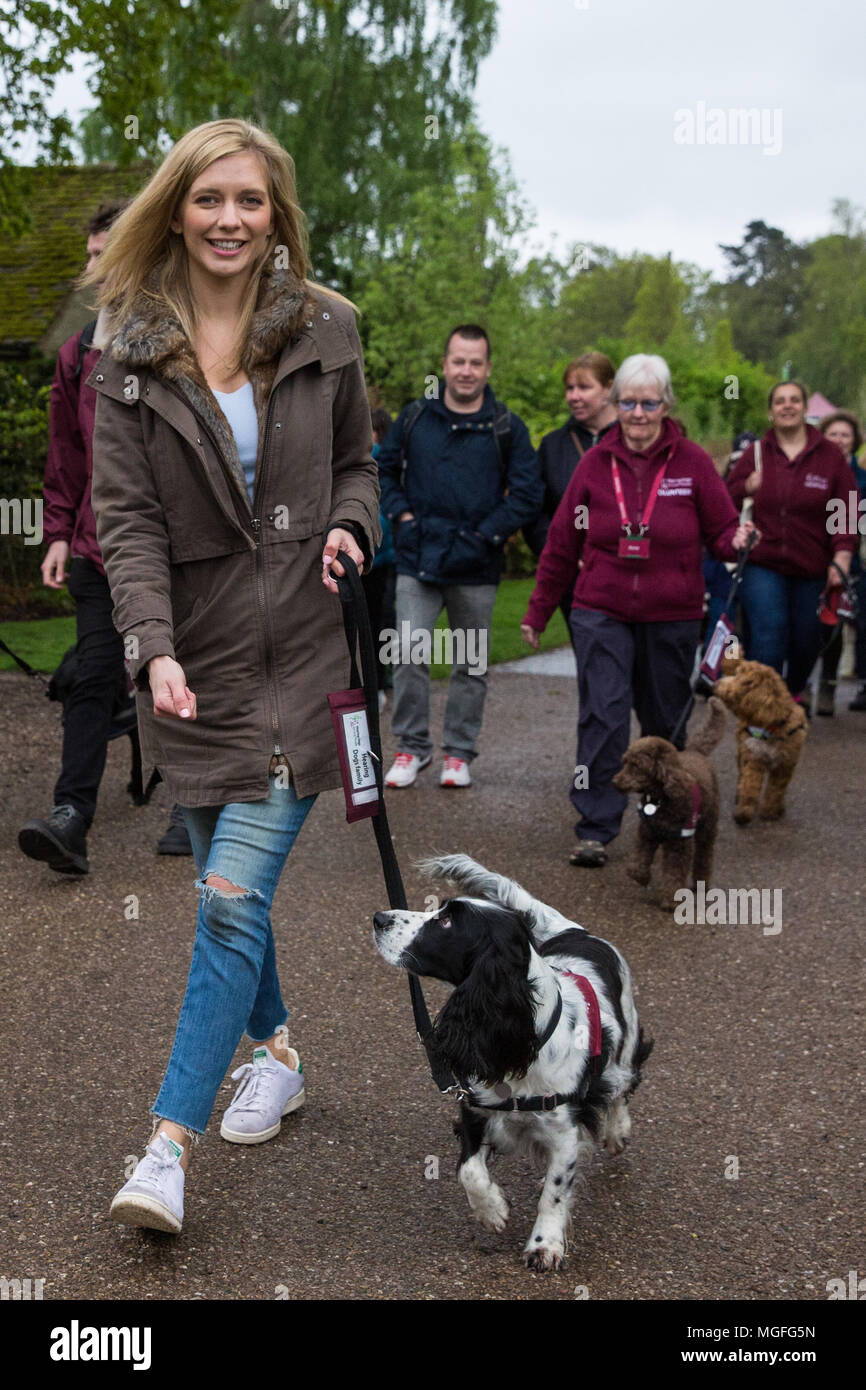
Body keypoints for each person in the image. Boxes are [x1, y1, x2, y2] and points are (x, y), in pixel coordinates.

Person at [87, 118, 380, 1234]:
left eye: (249, 200)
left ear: (277, 214)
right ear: (177, 207)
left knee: (223, 907)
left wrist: (351, 523)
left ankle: (165, 1147)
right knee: (227, 889)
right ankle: (282, 1054)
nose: (228, 219)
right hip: (194, 668)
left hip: (305, 656)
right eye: (208, 198)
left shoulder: (327, 327)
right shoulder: (128, 353)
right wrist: (151, 646)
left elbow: (358, 462)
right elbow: (125, 522)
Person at [521, 354, 754, 868]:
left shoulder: (691, 462)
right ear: (616, 403)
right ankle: (596, 826)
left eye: (649, 402)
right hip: (600, 608)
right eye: (629, 402)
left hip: (671, 613)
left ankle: (668, 815)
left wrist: (735, 539)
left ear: (666, 404)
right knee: (603, 714)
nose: (639, 412)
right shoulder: (594, 464)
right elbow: (562, 542)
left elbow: (720, 532)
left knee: (664, 721)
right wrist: (538, 612)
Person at [17, 201, 191, 875]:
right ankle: (71, 817)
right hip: (98, 547)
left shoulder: (184, 343)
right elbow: (64, 452)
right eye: (90, 255)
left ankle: (188, 798)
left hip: (178, 551)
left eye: (100, 255)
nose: (90, 268)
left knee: (178, 671)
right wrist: (57, 531)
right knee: (95, 671)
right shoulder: (76, 353)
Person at [377, 325, 542, 788]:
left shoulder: (506, 426)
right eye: (458, 361)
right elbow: (383, 472)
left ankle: (458, 753)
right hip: (419, 559)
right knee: (408, 652)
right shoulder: (414, 418)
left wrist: (488, 535)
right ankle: (411, 748)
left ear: (488, 368)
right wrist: (403, 518)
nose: (466, 371)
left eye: (475, 362)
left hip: (475, 564)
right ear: (444, 364)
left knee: (469, 662)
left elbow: (527, 494)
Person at [726, 381, 858, 703]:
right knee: (769, 636)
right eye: (780, 401)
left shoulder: (829, 457)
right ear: (771, 412)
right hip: (763, 561)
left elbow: (846, 509)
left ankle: (792, 694)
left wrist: (841, 558)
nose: (787, 406)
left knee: (806, 641)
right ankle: (763, 713)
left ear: (804, 409)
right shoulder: (756, 453)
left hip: (812, 565)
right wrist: (746, 485)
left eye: (794, 400)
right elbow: (724, 499)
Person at [524, 352, 617, 629]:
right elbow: (535, 510)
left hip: (625, 573)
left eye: (584, 387)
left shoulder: (632, 440)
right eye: (569, 388)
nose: (574, 396)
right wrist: (560, 554)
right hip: (575, 580)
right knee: (592, 661)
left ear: (609, 388)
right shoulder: (553, 447)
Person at [816, 410, 866, 712]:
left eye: (845, 435)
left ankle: (837, 685)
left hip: (854, 563)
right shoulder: (811, 475)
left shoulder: (863, 480)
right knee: (818, 628)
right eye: (832, 434)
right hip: (813, 559)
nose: (839, 440)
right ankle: (812, 685)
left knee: (854, 624)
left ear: (854, 441)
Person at [365, 406, 397, 712]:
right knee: (379, 622)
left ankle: (379, 683)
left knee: (378, 622)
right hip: (376, 555)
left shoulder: (381, 460)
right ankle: (377, 683)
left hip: (379, 557)